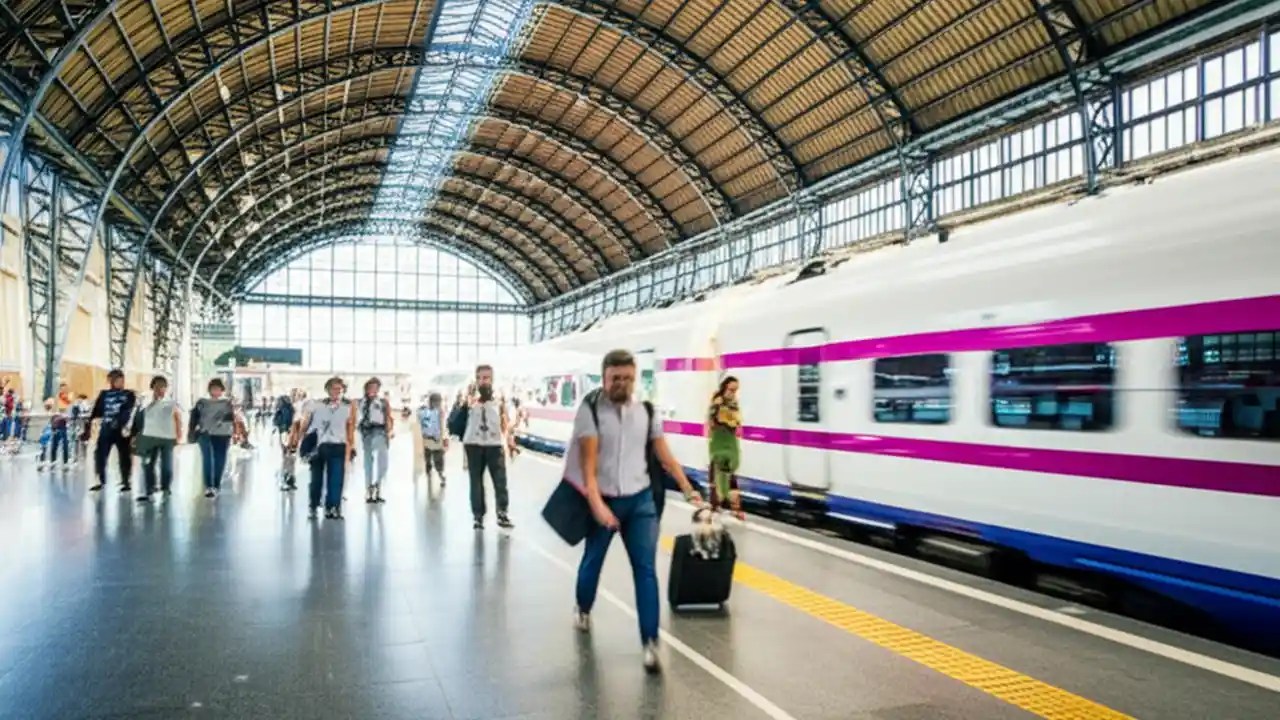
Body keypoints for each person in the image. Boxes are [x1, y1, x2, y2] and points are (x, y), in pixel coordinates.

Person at [567, 349, 703, 673]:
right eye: (616, 378)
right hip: (604, 500)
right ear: (604, 378)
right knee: (593, 561)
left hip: (640, 502)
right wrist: (597, 504)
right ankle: (583, 608)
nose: (623, 384)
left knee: (645, 571)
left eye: (628, 378)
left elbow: (664, 454)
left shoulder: (647, 411)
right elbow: (587, 464)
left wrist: (688, 488)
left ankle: (650, 643)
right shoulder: (590, 412)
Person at [291, 377, 355, 519]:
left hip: (338, 445)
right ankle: (313, 504)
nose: (337, 392)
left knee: (337, 478)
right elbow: (306, 423)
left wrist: (351, 448)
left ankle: (333, 507)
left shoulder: (348, 408)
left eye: (340, 389)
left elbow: (350, 428)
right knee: (316, 479)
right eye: (334, 388)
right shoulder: (316, 405)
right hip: (318, 447)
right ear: (327, 389)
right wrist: (299, 440)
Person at [462, 366, 515, 530]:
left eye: (486, 378)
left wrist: (509, 439)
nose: (483, 381)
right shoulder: (469, 398)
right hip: (473, 444)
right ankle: (478, 516)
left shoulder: (499, 398)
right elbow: (459, 418)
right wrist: (466, 401)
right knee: (476, 482)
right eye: (480, 378)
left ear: (492, 379)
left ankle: (502, 513)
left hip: (494, 444)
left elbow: (504, 419)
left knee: (500, 481)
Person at [85, 369, 138, 492]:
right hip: (106, 428)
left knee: (124, 455)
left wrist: (119, 421)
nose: (120, 382)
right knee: (100, 454)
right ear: (111, 381)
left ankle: (126, 480)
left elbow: (128, 410)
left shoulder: (128, 394)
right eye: (116, 380)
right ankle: (100, 479)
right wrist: (89, 426)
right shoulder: (104, 394)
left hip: (121, 430)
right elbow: (96, 411)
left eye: (121, 380)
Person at [135, 375, 183, 503]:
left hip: (167, 438)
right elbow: (138, 418)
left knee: (166, 465)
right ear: (152, 387)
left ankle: (165, 487)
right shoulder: (146, 401)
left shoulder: (171, 402)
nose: (160, 389)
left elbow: (178, 418)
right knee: (148, 464)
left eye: (163, 386)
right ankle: (149, 489)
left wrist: (179, 434)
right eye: (157, 386)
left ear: (166, 388)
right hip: (148, 437)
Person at [707, 376, 745, 519]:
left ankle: (735, 508)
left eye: (735, 390)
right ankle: (715, 505)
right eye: (731, 389)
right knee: (716, 474)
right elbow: (714, 422)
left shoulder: (734, 403)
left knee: (731, 474)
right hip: (718, 443)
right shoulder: (717, 403)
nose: (733, 393)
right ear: (725, 388)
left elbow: (737, 422)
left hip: (730, 443)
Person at [190, 379, 235, 498]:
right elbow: (194, 417)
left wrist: (234, 432)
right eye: (213, 388)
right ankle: (209, 486)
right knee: (208, 459)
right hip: (205, 433)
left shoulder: (227, 403)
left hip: (223, 434)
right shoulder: (202, 402)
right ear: (209, 390)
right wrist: (192, 431)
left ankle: (216, 484)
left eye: (218, 388)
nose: (215, 391)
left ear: (222, 390)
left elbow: (231, 419)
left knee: (220, 460)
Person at [357, 377, 394, 503]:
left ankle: (378, 485)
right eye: (371, 387)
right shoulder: (360, 402)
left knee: (382, 461)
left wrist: (389, 431)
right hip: (366, 432)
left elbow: (388, 417)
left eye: (376, 388)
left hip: (379, 431)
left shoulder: (382, 402)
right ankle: (369, 489)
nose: (373, 390)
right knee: (368, 462)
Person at [418, 392, 447, 485]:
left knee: (428, 457)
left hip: (426, 439)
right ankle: (440, 475)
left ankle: (429, 470)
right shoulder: (438, 412)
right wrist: (443, 438)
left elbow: (421, 423)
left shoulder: (423, 412)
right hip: (436, 440)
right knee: (438, 459)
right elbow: (441, 426)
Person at [38, 397, 70, 470]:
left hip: (59, 428)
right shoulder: (52, 411)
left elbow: (65, 417)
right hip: (52, 428)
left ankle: (63, 462)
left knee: (62, 445)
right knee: (48, 445)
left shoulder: (59, 408)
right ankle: (48, 461)